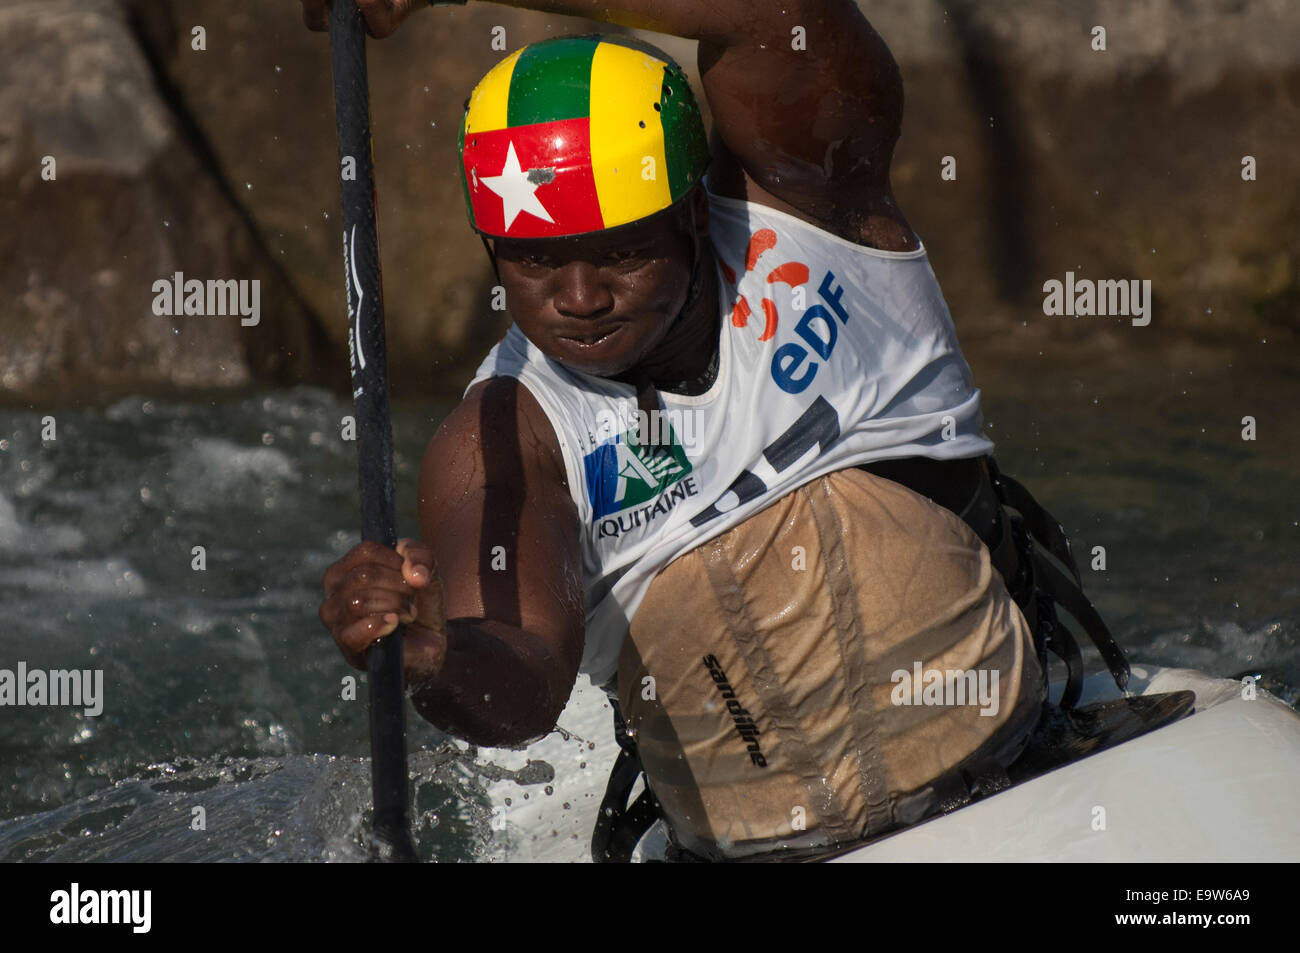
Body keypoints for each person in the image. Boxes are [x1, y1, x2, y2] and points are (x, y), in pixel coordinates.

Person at [313, 0, 1129, 861]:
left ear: (695, 213)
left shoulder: (815, 206)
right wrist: (431, 656)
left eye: (623, 251)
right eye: (537, 260)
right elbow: (524, 679)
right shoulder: (503, 437)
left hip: (1021, 751)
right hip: (755, 849)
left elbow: (778, 15)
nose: (580, 297)